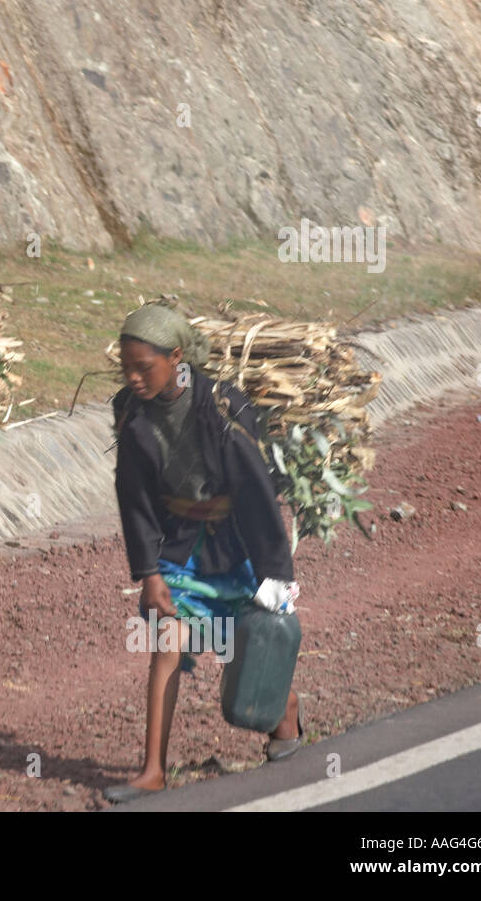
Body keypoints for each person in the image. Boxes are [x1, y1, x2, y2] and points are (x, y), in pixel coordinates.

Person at [102, 303, 304, 804]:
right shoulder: (130, 411)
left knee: (244, 642)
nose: (133, 377)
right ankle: (153, 770)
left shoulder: (222, 407)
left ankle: (285, 710)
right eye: (126, 367)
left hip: (235, 544)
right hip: (177, 546)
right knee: (167, 640)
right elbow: (134, 499)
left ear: (176, 357)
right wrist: (147, 573)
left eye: (143, 367)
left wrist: (275, 573)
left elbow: (257, 492)